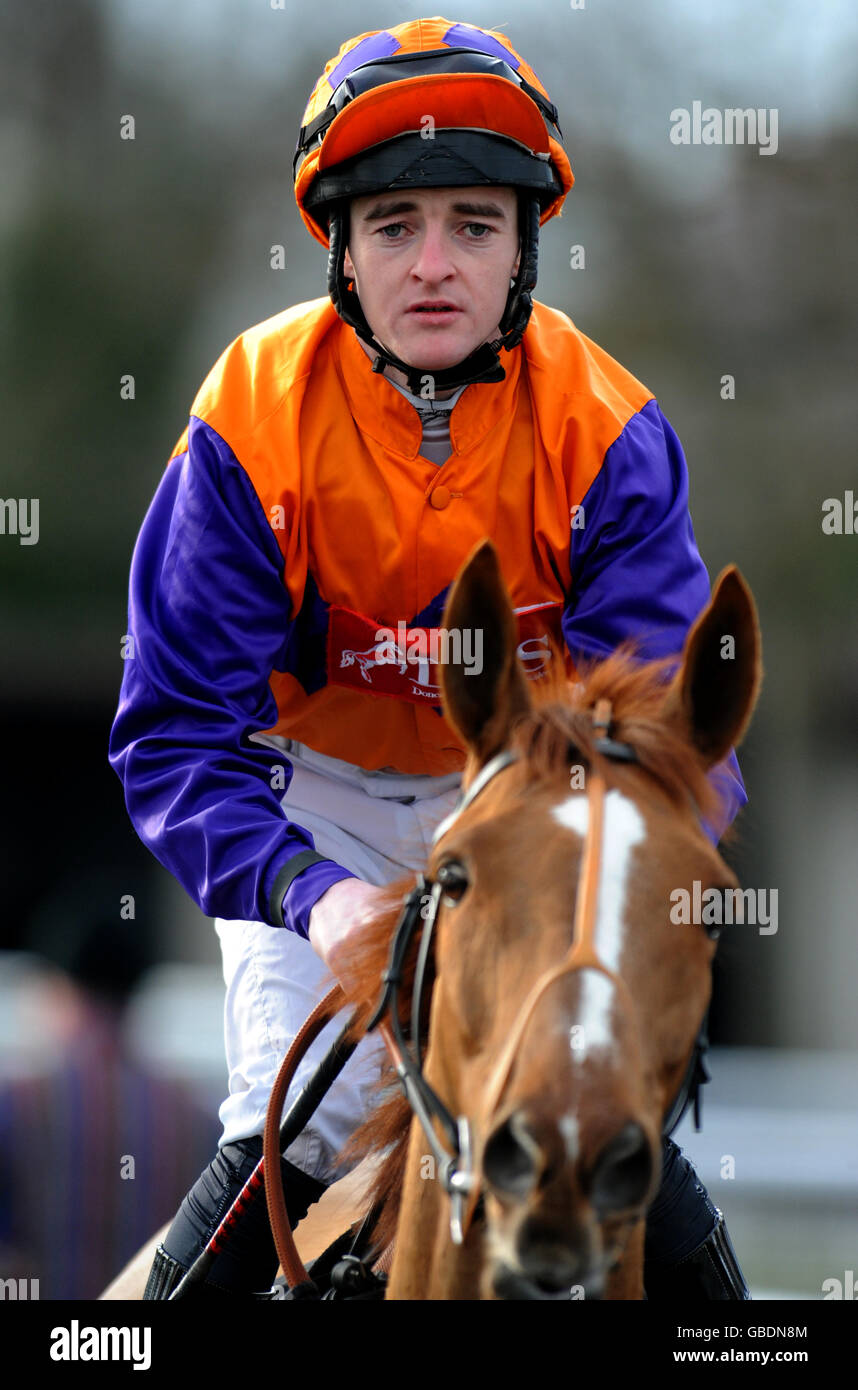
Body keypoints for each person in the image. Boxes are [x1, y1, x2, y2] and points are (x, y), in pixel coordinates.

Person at [109, 17, 750, 1300]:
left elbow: (679, 747)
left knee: (608, 1108)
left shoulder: (610, 430)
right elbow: (174, 737)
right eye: (395, 225)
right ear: (340, 250)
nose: (435, 263)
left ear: (524, 248)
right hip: (312, 806)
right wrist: (313, 893)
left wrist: (594, 868)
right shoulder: (246, 424)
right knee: (288, 1128)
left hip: (524, 808)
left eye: (474, 222)